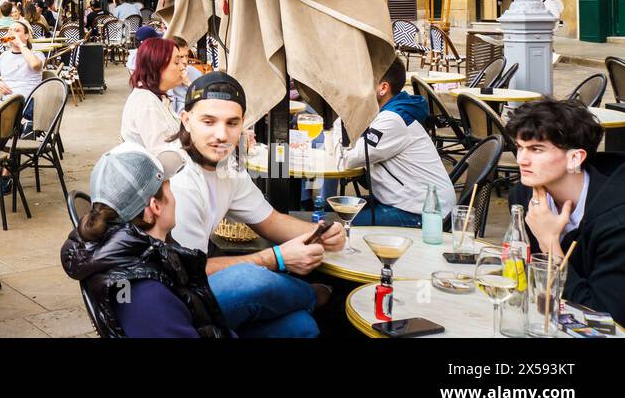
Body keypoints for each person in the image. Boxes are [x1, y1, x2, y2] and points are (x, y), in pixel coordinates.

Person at [168, 72, 341, 337]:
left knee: (302, 327)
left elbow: (271, 221)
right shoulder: (179, 180)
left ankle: (312, 302)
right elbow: (192, 273)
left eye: (232, 123)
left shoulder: (226, 168)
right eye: (208, 121)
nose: (221, 134)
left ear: (243, 124)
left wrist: (319, 233)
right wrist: (276, 259)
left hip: (200, 296)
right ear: (186, 120)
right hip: (173, 303)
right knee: (250, 278)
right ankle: (321, 297)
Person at [61, 144, 231, 338]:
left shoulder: (124, 260)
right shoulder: (146, 297)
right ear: (155, 207)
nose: (174, 198)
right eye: (169, 190)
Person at [508, 98, 625, 324]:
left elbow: (602, 317)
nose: (521, 160)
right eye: (519, 147)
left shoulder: (617, 221)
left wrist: (549, 244)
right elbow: (523, 279)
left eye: (536, 149)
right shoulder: (524, 196)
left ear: (576, 157)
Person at [332, 57, 454, 227]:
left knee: (332, 224)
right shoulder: (388, 111)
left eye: (365, 80)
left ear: (383, 88)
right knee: (330, 210)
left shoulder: (393, 119)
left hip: (422, 213)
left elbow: (346, 160)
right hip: (404, 201)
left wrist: (342, 116)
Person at [120, 37, 185, 154]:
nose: (182, 67)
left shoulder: (156, 97)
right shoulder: (146, 103)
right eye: (176, 62)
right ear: (157, 65)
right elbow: (163, 155)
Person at [0, 19, 44, 110]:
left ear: (26, 36)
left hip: (28, 102)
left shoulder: (36, 54)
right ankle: (3, 110)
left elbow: (35, 65)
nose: (12, 33)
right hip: (7, 101)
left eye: (17, 31)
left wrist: (21, 45)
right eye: (10, 30)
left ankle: (2, 112)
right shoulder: (5, 55)